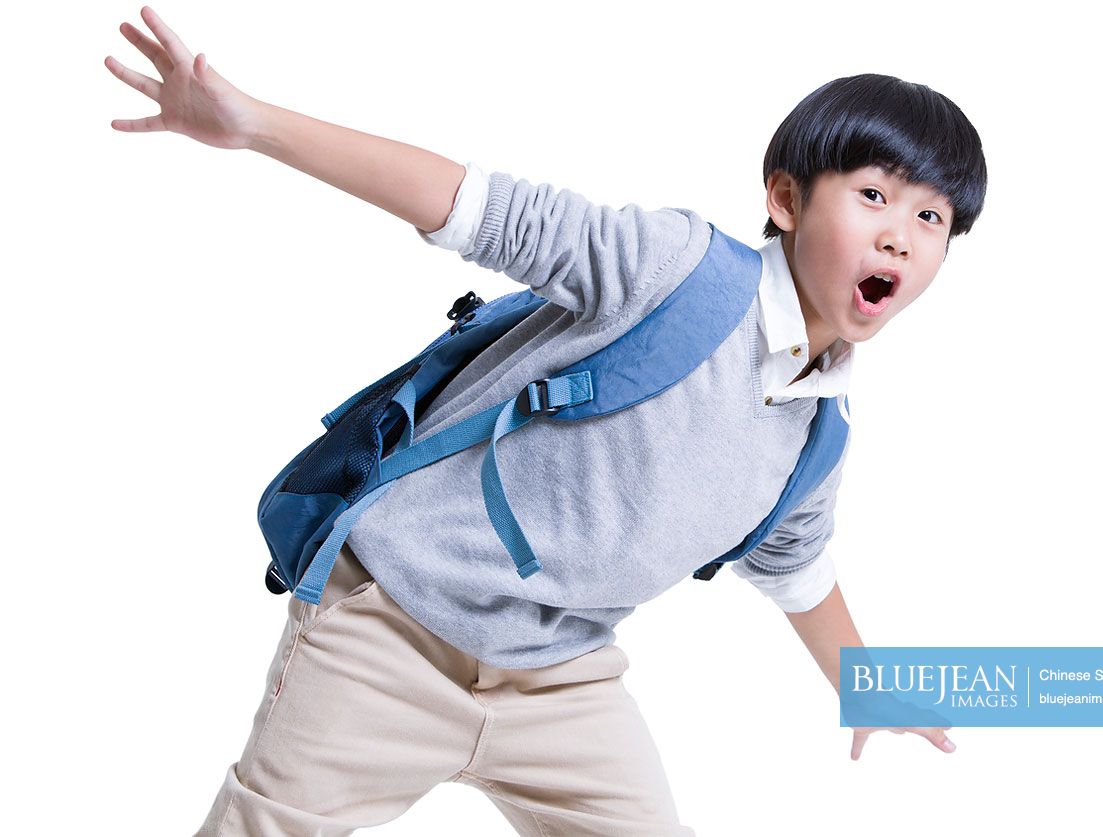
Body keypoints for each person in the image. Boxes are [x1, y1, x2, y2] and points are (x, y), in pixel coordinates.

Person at [105, 7, 987, 835]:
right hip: (392, 632)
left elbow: (794, 566)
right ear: (787, 199)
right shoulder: (676, 268)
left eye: (930, 217)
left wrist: (861, 685)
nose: (901, 235)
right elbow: (473, 205)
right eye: (873, 195)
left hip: (559, 680)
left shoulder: (813, 431)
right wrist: (255, 123)